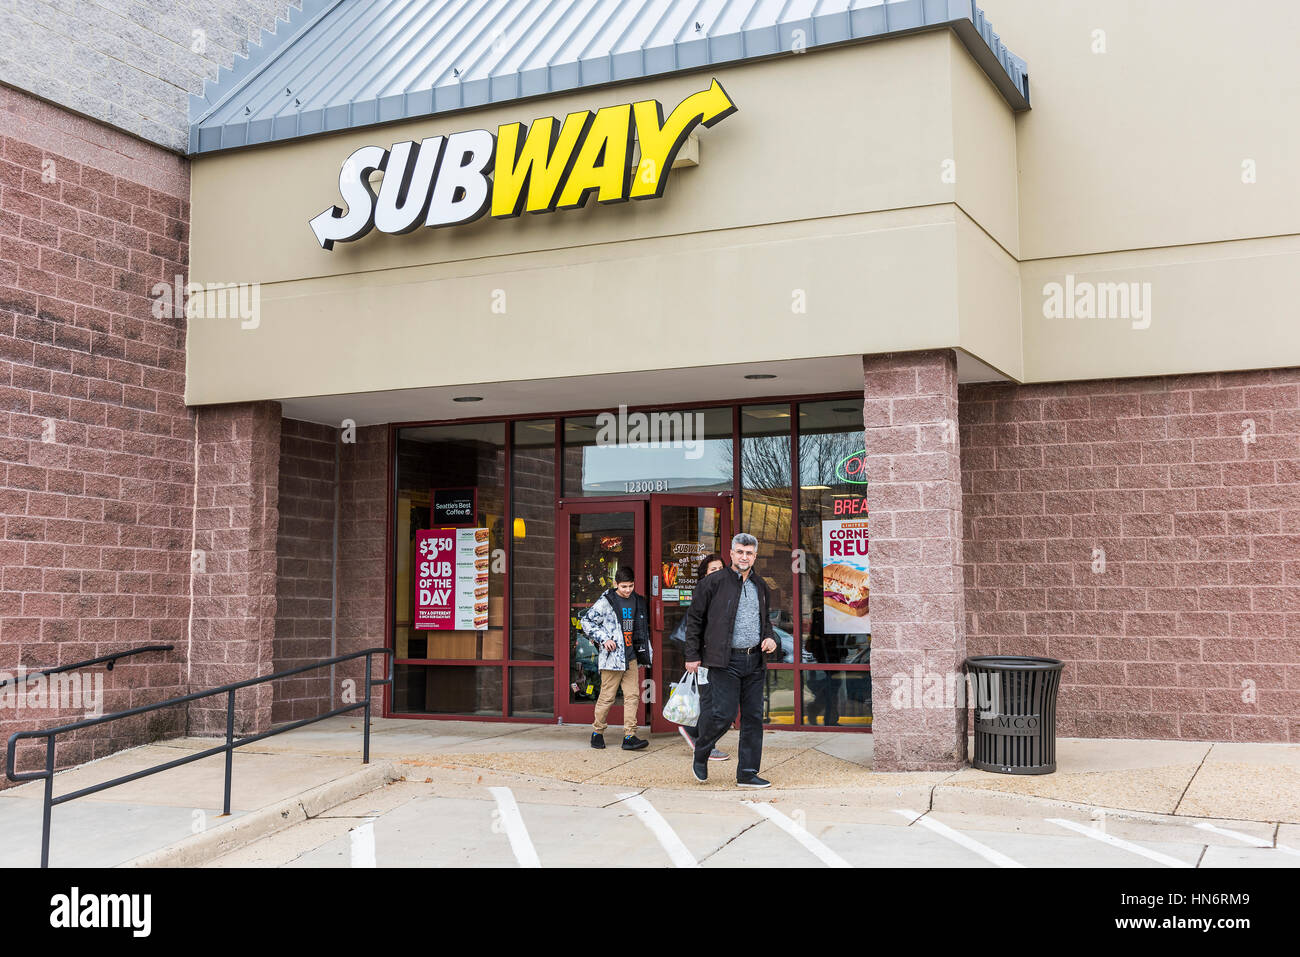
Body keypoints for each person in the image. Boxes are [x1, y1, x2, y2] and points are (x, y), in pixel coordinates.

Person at [683, 533, 778, 787]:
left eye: (749, 553)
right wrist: (692, 655)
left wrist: (770, 637)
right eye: (739, 552)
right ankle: (702, 750)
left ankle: (747, 773)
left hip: (754, 661)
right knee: (722, 715)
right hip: (724, 661)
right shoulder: (713, 583)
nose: (744, 557)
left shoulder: (760, 585)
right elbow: (694, 621)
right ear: (731, 553)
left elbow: (765, 621)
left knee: (753, 718)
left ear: (754, 556)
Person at [580, 566, 651, 750]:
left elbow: (641, 628)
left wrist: (646, 651)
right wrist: (604, 639)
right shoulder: (606, 601)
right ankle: (597, 732)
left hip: (631, 656)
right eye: (624, 586)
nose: (627, 590)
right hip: (612, 658)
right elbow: (586, 621)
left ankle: (629, 736)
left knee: (632, 696)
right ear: (615, 584)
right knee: (607, 697)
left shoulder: (638, 600)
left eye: (631, 586)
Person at [670, 553, 729, 761]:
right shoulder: (705, 593)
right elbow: (694, 627)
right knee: (709, 701)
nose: (718, 573)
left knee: (715, 700)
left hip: (717, 656)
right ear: (704, 575)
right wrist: (693, 656)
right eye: (713, 569)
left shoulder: (724, 593)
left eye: (721, 569)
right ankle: (704, 744)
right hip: (704, 656)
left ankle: (694, 733)